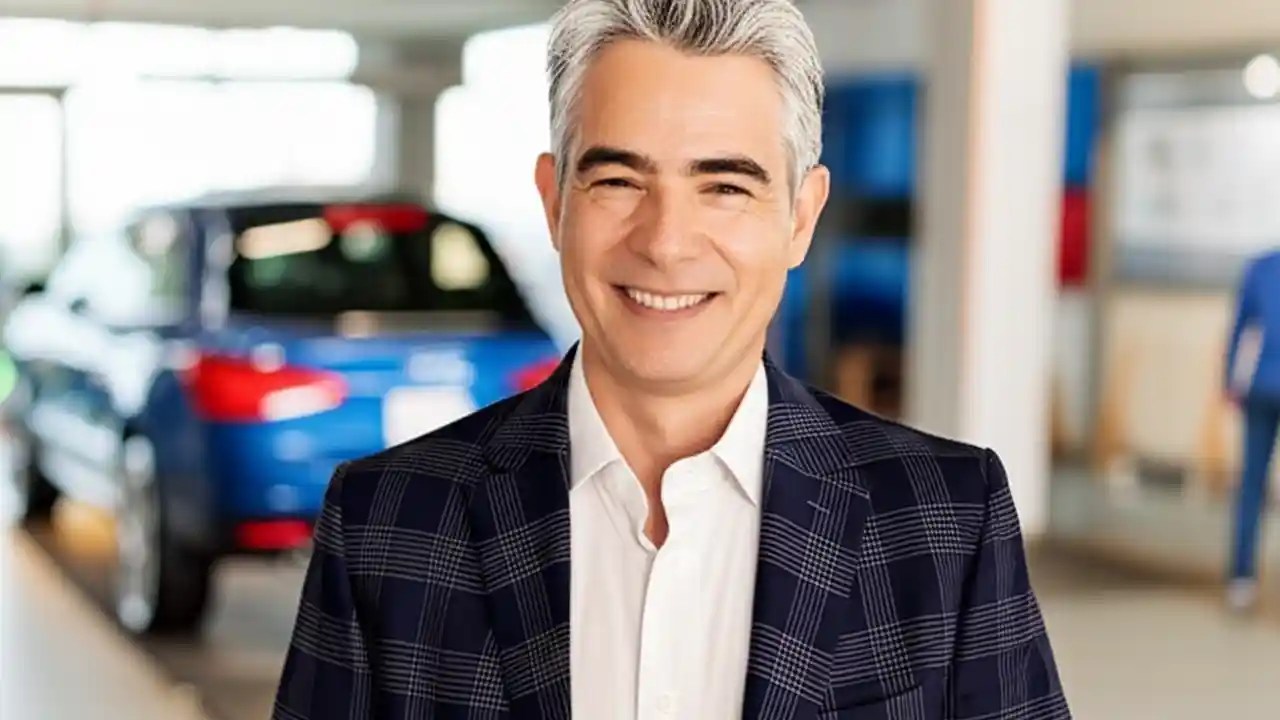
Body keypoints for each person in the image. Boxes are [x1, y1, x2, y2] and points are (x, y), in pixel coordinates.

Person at [273, 1, 1069, 717]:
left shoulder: (946, 523)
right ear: (554, 203)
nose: (664, 243)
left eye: (724, 187)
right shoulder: (386, 522)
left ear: (800, 216)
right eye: (619, 180)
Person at [1224, 248, 1280, 612]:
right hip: (1262, 390)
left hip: (1260, 386)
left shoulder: (1260, 268)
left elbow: (1241, 328)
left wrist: (1229, 378)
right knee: (1250, 485)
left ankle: (1241, 578)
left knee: (1251, 484)